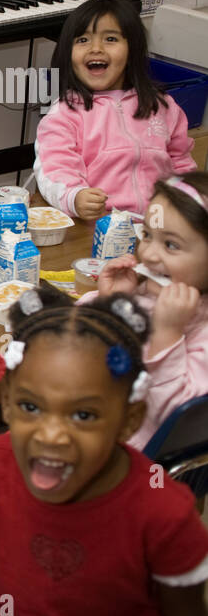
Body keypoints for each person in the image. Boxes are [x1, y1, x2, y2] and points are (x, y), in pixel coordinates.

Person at [0, 285, 208, 616]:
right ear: (6, 403)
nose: (51, 435)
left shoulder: (165, 514)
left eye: (83, 414)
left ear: (130, 420)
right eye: (31, 407)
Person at [34, 0, 195, 222]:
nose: (96, 48)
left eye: (110, 39)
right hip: (100, 227)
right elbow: (55, 169)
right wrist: (74, 197)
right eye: (82, 40)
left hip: (159, 226)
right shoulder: (63, 115)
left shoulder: (161, 106)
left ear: (132, 51)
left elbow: (181, 162)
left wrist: (191, 199)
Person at [92, 173, 208, 449]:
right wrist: (110, 303)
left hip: (135, 469)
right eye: (147, 235)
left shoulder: (201, 330)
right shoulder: (141, 295)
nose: (149, 255)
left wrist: (168, 334)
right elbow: (75, 342)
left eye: (171, 244)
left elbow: (177, 424)